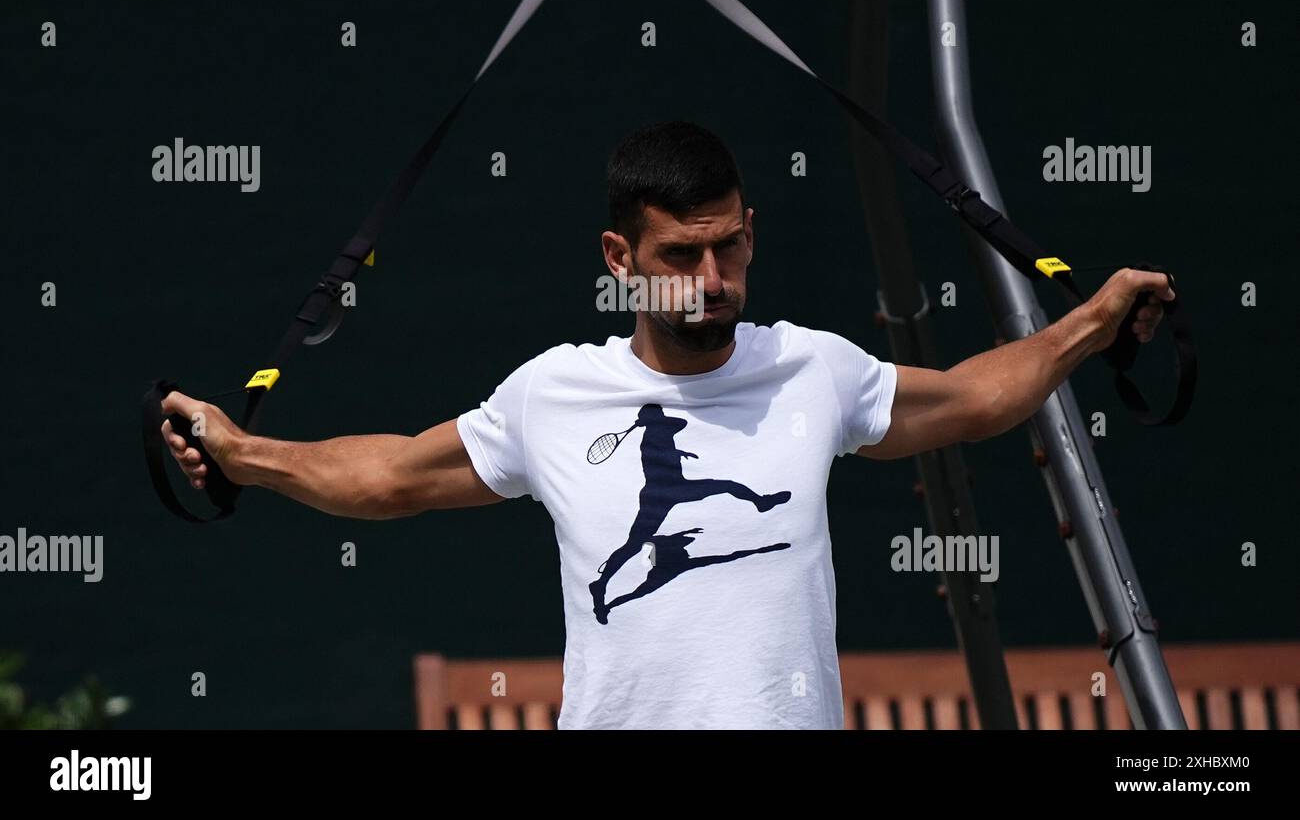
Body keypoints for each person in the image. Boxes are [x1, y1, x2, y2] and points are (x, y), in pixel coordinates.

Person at [158, 119, 1172, 729]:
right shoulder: (554, 394)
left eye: (728, 249)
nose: (712, 279)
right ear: (619, 256)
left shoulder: (811, 368)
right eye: (682, 256)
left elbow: (968, 398)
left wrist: (1090, 321)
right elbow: (391, 475)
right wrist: (244, 453)